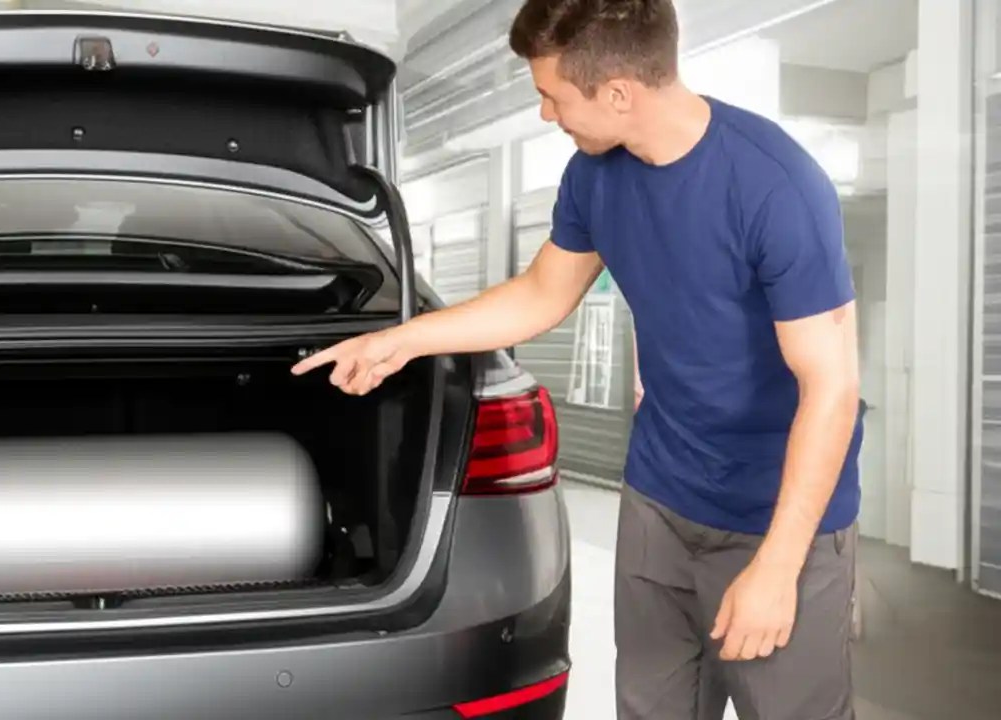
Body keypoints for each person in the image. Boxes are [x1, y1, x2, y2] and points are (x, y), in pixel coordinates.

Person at [292, 0, 863, 717]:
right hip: (663, 498)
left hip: (777, 515)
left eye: (552, 96)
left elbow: (832, 387)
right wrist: (399, 340)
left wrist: (779, 569)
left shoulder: (776, 185)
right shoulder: (595, 175)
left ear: (618, 93)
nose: (544, 114)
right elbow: (540, 294)